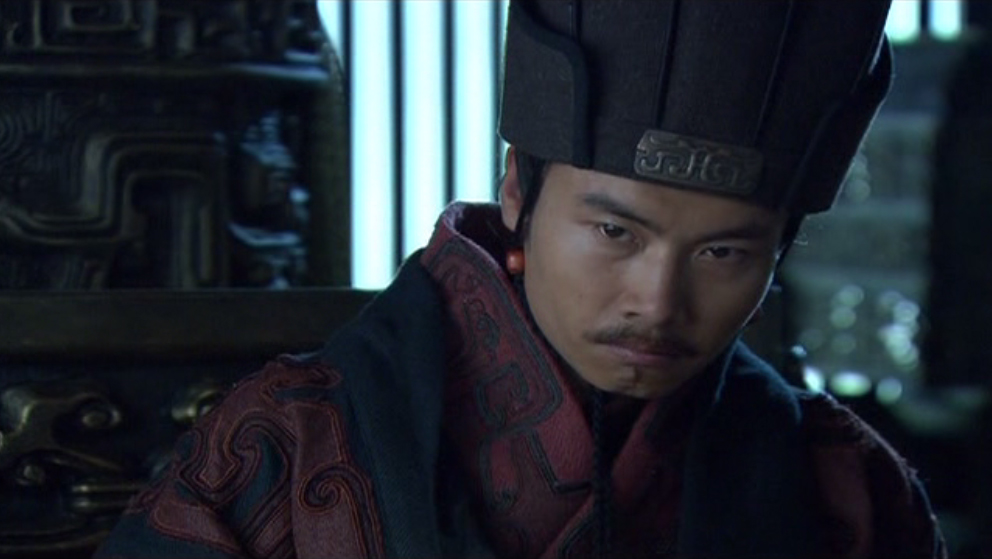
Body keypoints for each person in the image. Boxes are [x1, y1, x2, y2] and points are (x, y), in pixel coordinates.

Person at [95, 1, 946, 557]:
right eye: (615, 231)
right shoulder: (282, 446)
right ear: (517, 189)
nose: (657, 302)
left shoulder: (846, 487)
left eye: (723, 253)